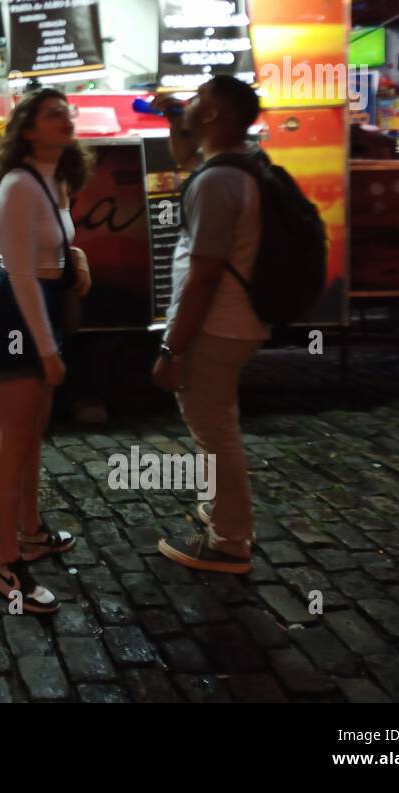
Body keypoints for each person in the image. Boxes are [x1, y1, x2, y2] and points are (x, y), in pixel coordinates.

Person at [0, 87, 93, 614]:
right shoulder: (20, 186)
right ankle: (6, 564)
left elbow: (51, 244)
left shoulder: (54, 178)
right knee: (15, 438)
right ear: (28, 129)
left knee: (33, 435)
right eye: (53, 114)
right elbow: (21, 272)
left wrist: (76, 254)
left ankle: (29, 533)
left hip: (43, 303)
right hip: (19, 315)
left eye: (67, 111)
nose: (65, 118)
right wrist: (47, 350)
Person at [150, 75, 268, 575]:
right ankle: (225, 512)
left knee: (214, 433)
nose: (192, 103)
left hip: (216, 325)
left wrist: (173, 348)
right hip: (237, 321)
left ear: (216, 113)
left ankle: (229, 543)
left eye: (200, 98)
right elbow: (183, 160)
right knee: (220, 424)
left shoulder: (219, 181)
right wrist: (179, 117)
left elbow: (203, 275)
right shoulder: (242, 165)